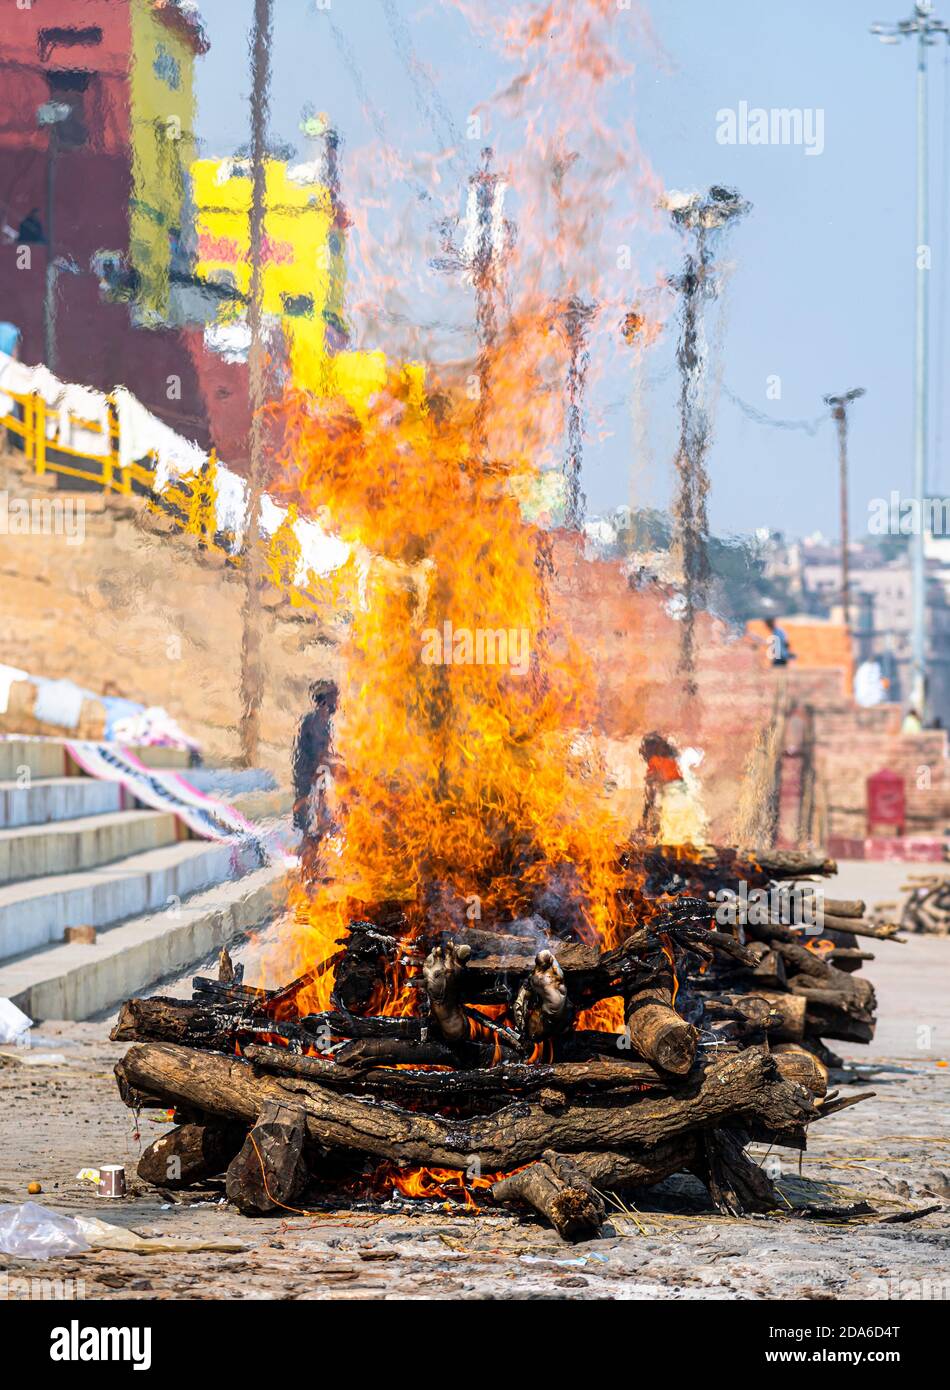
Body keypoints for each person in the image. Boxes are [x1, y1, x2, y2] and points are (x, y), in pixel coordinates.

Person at [292, 679, 338, 840]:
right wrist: (337, 765)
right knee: (310, 829)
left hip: (318, 779)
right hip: (308, 780)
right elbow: (318, 756)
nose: (337, 702)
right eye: (334, 697)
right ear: (325, 700)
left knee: (323, 822)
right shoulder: (312, 722)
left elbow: (325, 753)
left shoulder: (325, 723)